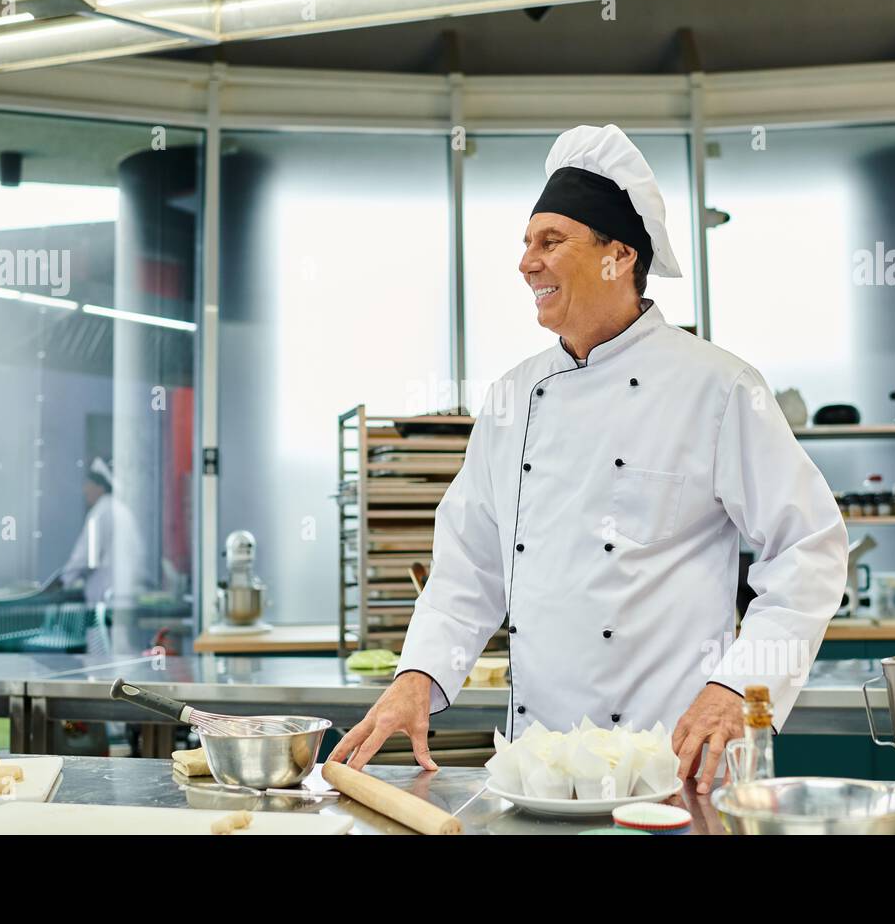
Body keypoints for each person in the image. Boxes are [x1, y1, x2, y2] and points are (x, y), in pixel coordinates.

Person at [330, 124, 848, 794]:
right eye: (525, 244)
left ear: (619, 255)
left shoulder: (718, 386)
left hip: (674, 763)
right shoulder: (512, 396)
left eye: (551, 242)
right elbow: (469, 566)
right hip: (538, 771)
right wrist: (416, 680)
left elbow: (809, 546)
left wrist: (737, 689)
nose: (526, 263)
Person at [56, 458, 149, 648]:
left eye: (88, 485)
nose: (85, 490)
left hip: (106, 601)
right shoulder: (122, 510)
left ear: (100, 487)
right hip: (122, 598)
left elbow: (85, 557)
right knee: (123, 651)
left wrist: (64, 580)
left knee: (102, 657)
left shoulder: (101, 512)